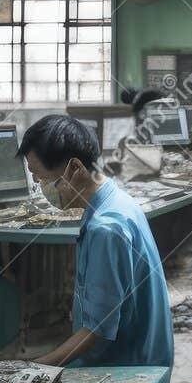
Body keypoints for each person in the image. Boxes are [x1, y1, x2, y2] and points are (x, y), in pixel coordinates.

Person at [19, 115, 174, 369]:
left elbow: (97, 329)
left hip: (130, 366)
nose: (39, 185)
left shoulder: (106, 228)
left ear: (75, 168)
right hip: (142, 352)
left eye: (42, 178)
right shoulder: (115, 199)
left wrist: (38, 367)